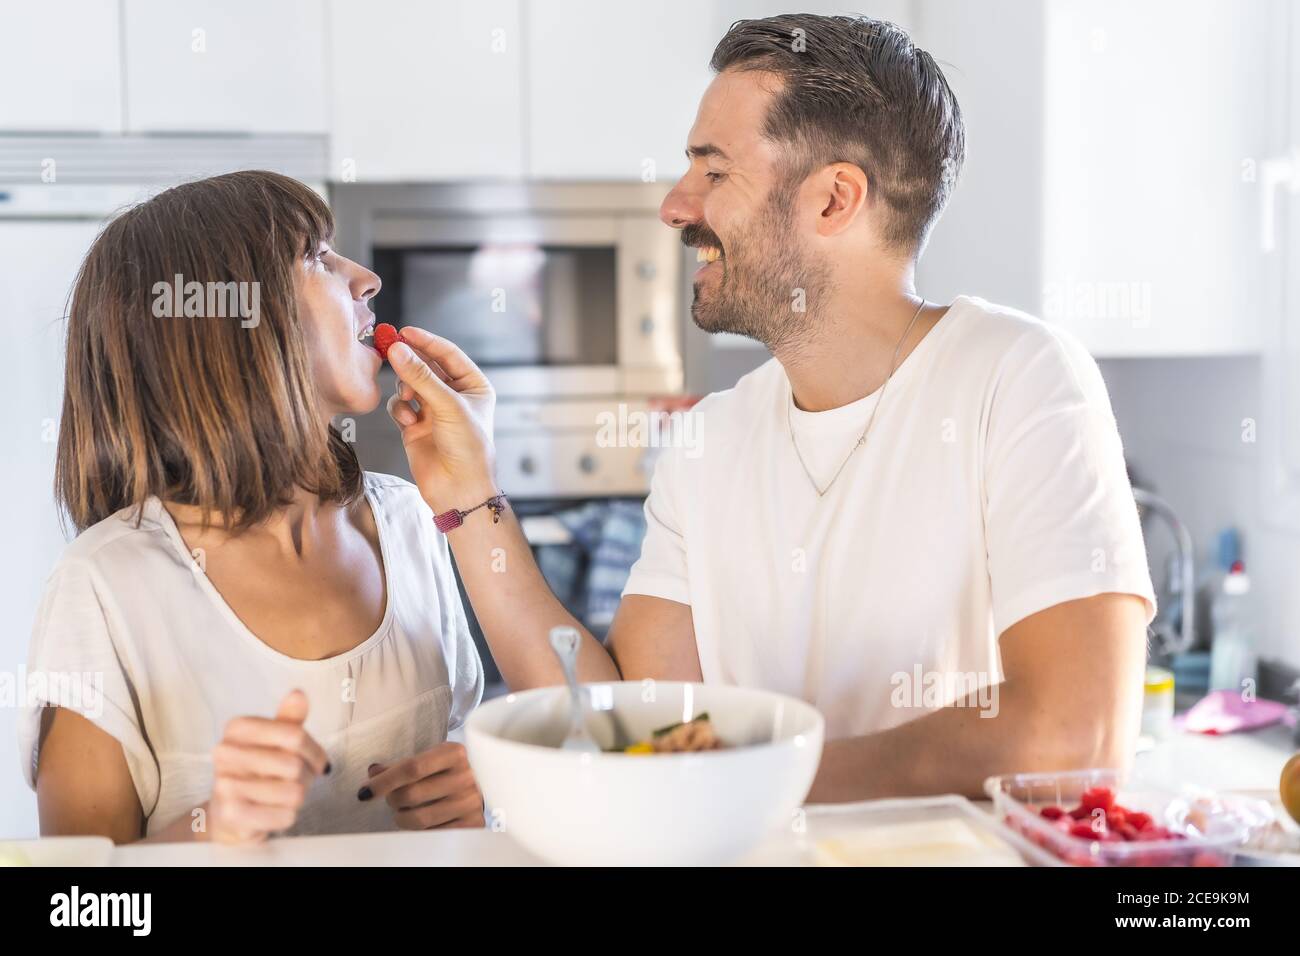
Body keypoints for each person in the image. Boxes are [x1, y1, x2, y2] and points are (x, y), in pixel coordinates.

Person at [382, 13, 1156, 803]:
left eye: (714, 173)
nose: (677, 208)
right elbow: (626, 721)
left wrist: (729, 778)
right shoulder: (710, 441)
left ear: (833, 200)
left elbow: (1075, 737)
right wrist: (468, 494)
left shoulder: (1017, 378)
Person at [22, 171, 485, 843]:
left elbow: (469, 755)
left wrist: (474, 798)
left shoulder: (409, 518)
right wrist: (208, 828)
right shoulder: (102, 585)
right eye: (317, 257)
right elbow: (77, 905)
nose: (366, 278)